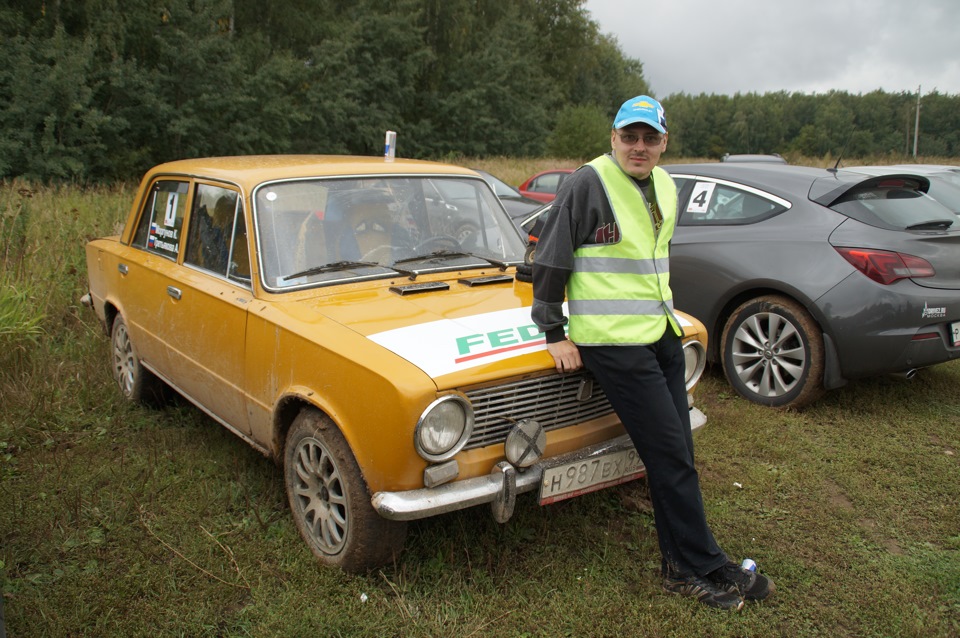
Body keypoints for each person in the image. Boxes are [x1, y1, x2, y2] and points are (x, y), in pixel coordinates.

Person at [531, 95, 775, 610]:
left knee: (679, 453)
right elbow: (551, 259)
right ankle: (702, 564)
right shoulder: (587, 183)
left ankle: (684, 563)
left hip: (658, 332)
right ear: (613, 138)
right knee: (668, 456)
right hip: (611, 341)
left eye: (650, 138)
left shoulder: (665, 186)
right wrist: (554, 332)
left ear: (664, 142)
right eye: (629, 136)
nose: (638, 147)